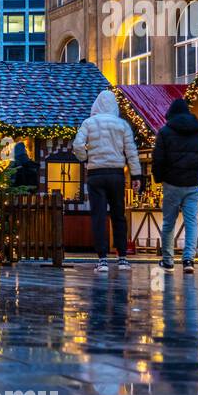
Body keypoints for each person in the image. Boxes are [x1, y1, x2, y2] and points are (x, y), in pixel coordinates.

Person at [73, 89, 143, 273]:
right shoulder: (122, 125)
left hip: (96, 174)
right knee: (119, 215)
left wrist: (86, 158)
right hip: (116, 174)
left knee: (99, 216)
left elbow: (77, 146)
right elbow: (131, 152)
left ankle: (102, 259)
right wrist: (136, 175)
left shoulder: (89, 123)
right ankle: (122, 258)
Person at [151, 98, 198, 274]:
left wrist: (159, 178)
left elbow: (158, 158)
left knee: (168, 222)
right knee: (191, 221)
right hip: (193, 184)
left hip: (171, 183)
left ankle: (168, 260)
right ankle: (188, 260)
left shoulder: (164, 132)